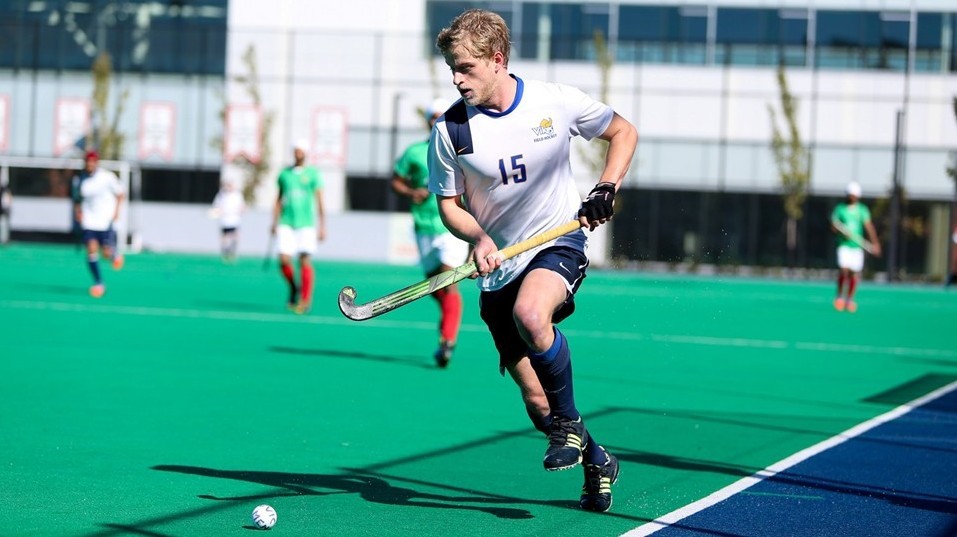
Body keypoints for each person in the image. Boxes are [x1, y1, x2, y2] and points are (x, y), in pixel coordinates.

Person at [429, 9, 638, 512]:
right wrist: (479, 236)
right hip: (498, 267)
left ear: (497, 60)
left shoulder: (554, 101)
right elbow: (449, 206)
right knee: (538, 402)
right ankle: (597, 460)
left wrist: (606, 186)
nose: (457, 79)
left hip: (556, 242)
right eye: (452, 69)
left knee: (531, 313)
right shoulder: (451, 130)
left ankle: (569, 426)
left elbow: (623, 132)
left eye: (466, 68)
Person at [392, 98, 471, 367]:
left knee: (448, 282)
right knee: (433, 285)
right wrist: (410, 191)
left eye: (441, 115)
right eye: (432, 116)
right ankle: (448, 322)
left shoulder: (461, 149)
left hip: (452, 227)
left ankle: (447, 340)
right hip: (423, 226)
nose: (436, 120)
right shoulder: (414, 152)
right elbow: (396, 181)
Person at [271, 139, 326, 314]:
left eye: (301, 150)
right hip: (286, 222)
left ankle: (305, 299)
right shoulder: (284, 174)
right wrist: (274, 222)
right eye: (296, 150)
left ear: (306, 153)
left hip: (306, 223)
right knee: (283, 260)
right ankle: (294, 287)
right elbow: (279, 199)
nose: (298, 153)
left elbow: (319, 201)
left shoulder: (313, 174)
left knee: (304, 260)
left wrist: (322, 225)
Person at [71, 150, 125, 297]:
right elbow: (77, 199)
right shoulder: (79, 179)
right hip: (89, 221)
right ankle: (98, 282)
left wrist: (117, 212)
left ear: (96, 163)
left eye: (92, 162)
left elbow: (121, 194)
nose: (89, 165)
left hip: (106, 221)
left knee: (106, 253)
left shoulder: (107, 177)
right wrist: (78, 211)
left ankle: (113, 254)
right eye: (87, 162)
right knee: (91, 249)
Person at [830, 181, 881, 312]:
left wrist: (875, 243)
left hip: (857, 246)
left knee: (854, 274)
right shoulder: (840, 209)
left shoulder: (862, 210)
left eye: (854, 195)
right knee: (844, 270)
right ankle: (839, 297)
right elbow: (834, 226)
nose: (852, 197)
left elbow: (868, 226)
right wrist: (841, 232)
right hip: (844, 245)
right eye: (850, 195)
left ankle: (849, 299)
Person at [210, 179, 246, 263]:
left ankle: (232, 253)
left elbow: (242, 206)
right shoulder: (221, 195)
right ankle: (225, 253)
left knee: (235, 237)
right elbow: (216, 207)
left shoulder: (237, 195)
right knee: (225, 238)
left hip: (235, 220)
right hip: (224, 220)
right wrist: (218, 212)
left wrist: (242, 209)